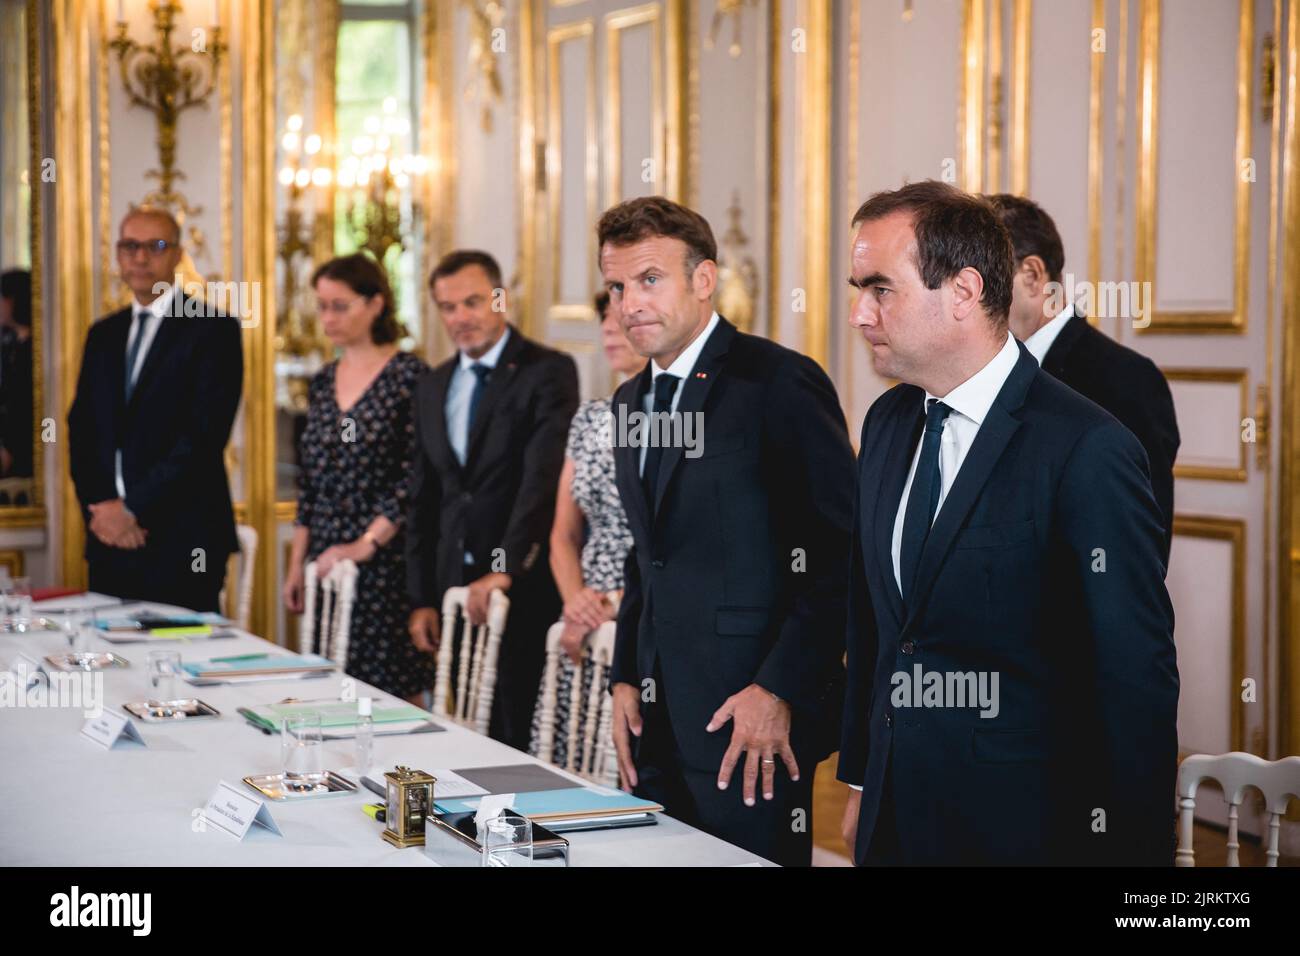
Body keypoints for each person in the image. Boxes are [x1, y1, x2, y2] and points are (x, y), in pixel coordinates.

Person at [837, 181, 1178, 866]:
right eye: (857, 289)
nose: (858, 315)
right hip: (894, 815)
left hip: (1023, 827)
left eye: (880, 289)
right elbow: (877, 627)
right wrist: (861, 777)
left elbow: (1134, 678)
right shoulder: (887, 421)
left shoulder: (1085, 447)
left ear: (963, 291)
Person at [601, 196, 855, 867]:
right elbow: (644, 558)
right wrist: (626, 675)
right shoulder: (628, 400)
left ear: (704, 279)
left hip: (750, 719)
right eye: (616, 286)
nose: (629, 304)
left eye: (649, 279)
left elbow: (835, 556)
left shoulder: (779, 383)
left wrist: (779, 691)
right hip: (653, 716)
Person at [405, 249, 579, 749]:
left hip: (521, 584)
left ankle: (524, 827)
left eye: (473, 302)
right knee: (465, 726)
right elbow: (424, 497)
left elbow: (540, 480)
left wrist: (505, 569)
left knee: (518, 727)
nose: (460, 318)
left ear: (501, 298)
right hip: (451, 587)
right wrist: (422, 598)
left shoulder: (548, 370)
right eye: (448, 307)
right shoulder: (432, 385)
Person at [986, 193, 1180, 565]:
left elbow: (1137, 553)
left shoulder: (1127, 380)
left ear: (1031, 275)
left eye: (988, 279)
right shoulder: (978, 372)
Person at [67, 207, 242, 612]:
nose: (141, 258)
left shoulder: (213, 330)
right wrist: (103, 510)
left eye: (155, 246)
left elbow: (202, 438)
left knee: (177, 666)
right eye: (130, 246)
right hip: (109, 540)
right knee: (112, 665)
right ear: (118, 254)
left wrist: (132, 509)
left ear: (179, 255)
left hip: (183, 538)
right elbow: (82, 430)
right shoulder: (103, 334)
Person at [282, 253, 431, 703]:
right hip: (326, 558)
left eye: (340, 306)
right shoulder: (323, 381)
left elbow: (414, 478)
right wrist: (296, 564)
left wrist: (366, 544)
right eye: (322, 306)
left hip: (385, 562)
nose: (327, 318)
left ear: (376, 304)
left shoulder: (410, 375)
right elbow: (311, 482)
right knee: (327, 692)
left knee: (388, 700)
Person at [527, 290, 645, 767]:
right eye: (604, 320)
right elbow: (563, 534)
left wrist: (612, 605)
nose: (610, 330)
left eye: (621, 319)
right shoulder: (592, 416)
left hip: (639, 619)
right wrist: (577, 601)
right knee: (568, 761)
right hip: (581, 617)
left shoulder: (681, 422)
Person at [0, 269, 33, 481]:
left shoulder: (34, 350)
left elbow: (22, 407)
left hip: (23, 454)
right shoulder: (9, 344)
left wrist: (10, 448)